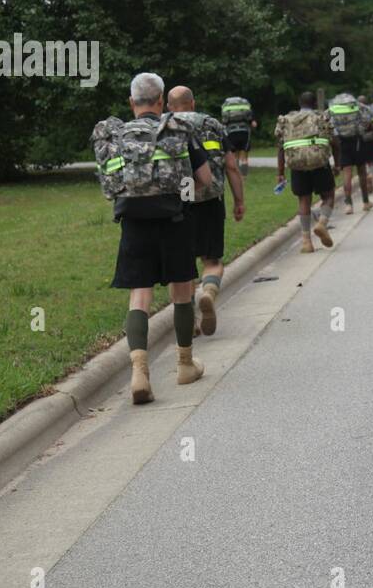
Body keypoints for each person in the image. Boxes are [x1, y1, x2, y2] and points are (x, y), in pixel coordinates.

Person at [98, 72, 216, 405]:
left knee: (140, 295)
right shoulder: (178, 131)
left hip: (133, 223)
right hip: (175, 220)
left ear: (131, 102)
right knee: (182, 291)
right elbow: (204, 179)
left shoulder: (118, 135)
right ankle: (184, 364)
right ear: (161, 100)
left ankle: (139, 372)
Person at [167, 86, 246, 337]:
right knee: (212, 261)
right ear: (193, 103)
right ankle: (209, 292)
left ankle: (188, 321)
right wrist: (239, 201)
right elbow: (231, 166)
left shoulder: (164, 127)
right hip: (211, 199)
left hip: (178, 203)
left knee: (183, 265)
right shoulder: (212, 124)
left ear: (169, 106)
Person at [276, 91, 338, 253]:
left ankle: (306, 242)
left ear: (299, 103)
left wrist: (280, 172)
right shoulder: (322, 117)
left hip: (297, 166)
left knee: (304, 201)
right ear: (314, 104)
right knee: (329, 195)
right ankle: (322, 223)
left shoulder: (287, 120)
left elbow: (281, 148)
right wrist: (337, 164)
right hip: (319, 164)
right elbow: (334, 142)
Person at [327, 92, 373, 214]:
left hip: (342, 144)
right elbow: (368, 116)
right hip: (358, 142)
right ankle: (366, 202)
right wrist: (361, 129)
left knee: (347, 175)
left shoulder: (333, 108)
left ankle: (349, 205)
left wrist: (337, 133)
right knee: (362, 173)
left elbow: (327, 122)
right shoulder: (356, 105)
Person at [221, 96, 257, 176]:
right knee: (244, 157)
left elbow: (224, 121)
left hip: (231, 133)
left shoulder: (227, 106)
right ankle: (244, 176)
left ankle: (235, 174)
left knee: (234, 156)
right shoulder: (245, 105)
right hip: (244, 132)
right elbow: (251, 120)